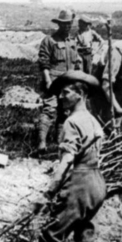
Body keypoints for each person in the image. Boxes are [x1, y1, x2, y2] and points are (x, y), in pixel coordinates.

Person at [27, 70, 106, 242]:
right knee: (85, 239)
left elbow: (66, 163)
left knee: (50, 237)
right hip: (97, 184)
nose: (61, 97)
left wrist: (47, 194)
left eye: (66, 92)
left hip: (80, 183)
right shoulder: (94, 120)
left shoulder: (72, 122)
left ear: (80, 94)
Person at [36, 9, 81, 153]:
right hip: (54, 79)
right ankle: (41, 143)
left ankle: (59, 143)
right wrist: (48, 79)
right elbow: (44, 62)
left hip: (69, 82)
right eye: (64, 24)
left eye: (69, 24)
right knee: (49, 109)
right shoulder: (49, 41)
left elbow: (77, 63)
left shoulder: (73, 41)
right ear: (59, 24)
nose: (66, 27)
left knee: (64, 112)